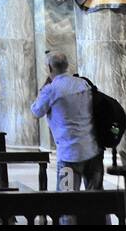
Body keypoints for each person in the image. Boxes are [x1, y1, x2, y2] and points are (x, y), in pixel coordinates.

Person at [31, 51, 103, 208]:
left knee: (67, 204)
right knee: (98, 205)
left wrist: (45, 86)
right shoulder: (82, 83)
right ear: (67, 66)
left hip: (69, 156)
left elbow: (36, 111)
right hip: (92, 150)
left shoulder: (51, 89)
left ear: (49, 67)